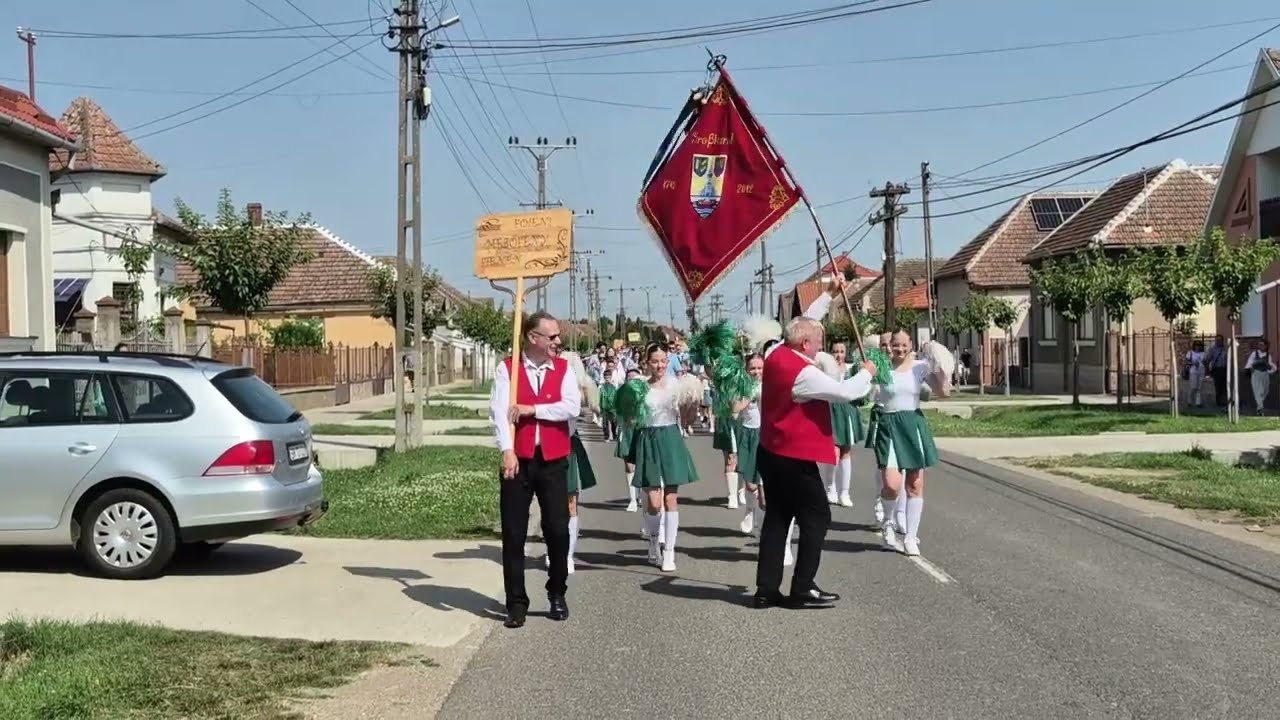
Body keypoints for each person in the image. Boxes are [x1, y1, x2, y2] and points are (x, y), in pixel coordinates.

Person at [753, 278, 876, 609]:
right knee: (817, 516)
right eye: (819, 341)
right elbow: (845, 393)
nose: (822, 346)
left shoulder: (779, 351)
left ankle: (766, 589)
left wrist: (830, 294)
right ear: (805, 343)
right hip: (790, 456)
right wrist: (866, 372)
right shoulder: (803, 373)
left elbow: (806, 318)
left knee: (779, 518)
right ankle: (803, 585)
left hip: (771, 450)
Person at [488, 312, 581, 629]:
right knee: (513, 534)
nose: (558, 341)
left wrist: (533, 409)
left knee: (557, 530)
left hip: (554, 459)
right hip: (519, 459)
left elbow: (571, 407)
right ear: (533, 338)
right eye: (552, 336)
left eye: (558, 336)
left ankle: (557, 591)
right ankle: (516, 602)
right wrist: (507, 449)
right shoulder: (508, 369)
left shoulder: (565, 368)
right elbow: (499, 412)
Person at [875, 331, 952, 557]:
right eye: (895, 345)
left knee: (915, 484)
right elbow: (862, 389)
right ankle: (888, 522)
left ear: (911, 345)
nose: (899, 349)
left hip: (913, 424)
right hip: (889, 425)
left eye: (904, 345)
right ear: (890, 346)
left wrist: (942, 371)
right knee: (891, 484)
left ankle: (910, 537)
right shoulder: (881, 367)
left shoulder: (921, 367)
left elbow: (943, 393)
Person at [629, 343, 700, 572]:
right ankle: (653, 540)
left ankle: (669, 552)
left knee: (671, 498)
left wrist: (692, 403)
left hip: (670, 436)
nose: (659, 365)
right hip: (648, 438)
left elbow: (687, 420)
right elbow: (631, 418)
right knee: (653, 501)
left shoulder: (676, 385)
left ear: (667, 362)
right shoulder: (640, 386)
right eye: (655, 361)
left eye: (663, 361)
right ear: (647, 363)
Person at [729, 353, 766, 537]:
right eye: (753, 368)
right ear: (747, 370)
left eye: (760, 368)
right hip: (747, 435)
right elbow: (734, 409)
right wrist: (748, 396)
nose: (757, 372)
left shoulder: (769, 386)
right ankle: (750, 511)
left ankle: (762, 525)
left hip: (765, 436)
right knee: (751, 485)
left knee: (764, 486)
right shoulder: (743, 388)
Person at [825, 341, 864, 508]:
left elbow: (861, 386)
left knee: (846, 451)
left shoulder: (851, 370)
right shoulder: (826, 370)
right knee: (833, 451)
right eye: (835, 351)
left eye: (841, 351)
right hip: (831, 411)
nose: (838, 355)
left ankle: (845, 492)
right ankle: (830, 487)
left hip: (847, 410)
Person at [616, 367, 643, 512]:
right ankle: (633, 499)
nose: (632, 381)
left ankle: (642, 497)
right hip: (626, 431)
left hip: (642, 430)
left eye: (635, 379)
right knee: (629, 465)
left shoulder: (645, 393)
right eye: (629, 378)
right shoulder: (621, 393)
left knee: (642, 464)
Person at [1247, 339, 1276, 415]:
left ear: (1266, 346)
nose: (1260, 346)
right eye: (1259, 345)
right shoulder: (1254, 354)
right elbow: (1249, 363)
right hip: (1256, 374)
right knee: (1258, 391)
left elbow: (1270, 365)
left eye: (1262, 345)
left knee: (1265, 391)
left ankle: (1260, 405)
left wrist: (1271, 369)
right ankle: (1260, 409)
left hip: (1265, 374)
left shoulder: (1268, 355)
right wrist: (1251, 368)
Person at [1184, 339, 1207, 409]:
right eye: (1196, 345)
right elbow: (1186, 362)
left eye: (1199, 345)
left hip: (1201, 371)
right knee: (1193, 387)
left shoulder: (1203, 354)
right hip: (1193, 371)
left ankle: (1198, 403)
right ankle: (1189, 401)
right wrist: (1193, 363)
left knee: (1199, 388)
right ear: (1194, 346)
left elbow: (1205, 362)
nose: (1198, 347)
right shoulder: (1190, 353)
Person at [1207, 336, 1228, 409]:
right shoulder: (1212, 349)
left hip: (1225, 369)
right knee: (1218, 386)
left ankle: (1224, 401)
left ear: (1222, 341)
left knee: (1225, 385)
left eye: (1220, 340)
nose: (1218, 341)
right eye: (1217, 340)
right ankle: (1218, 401)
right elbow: (1208, 359)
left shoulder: (1226, 348)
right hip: (1217, 369)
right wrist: (1208, 370)